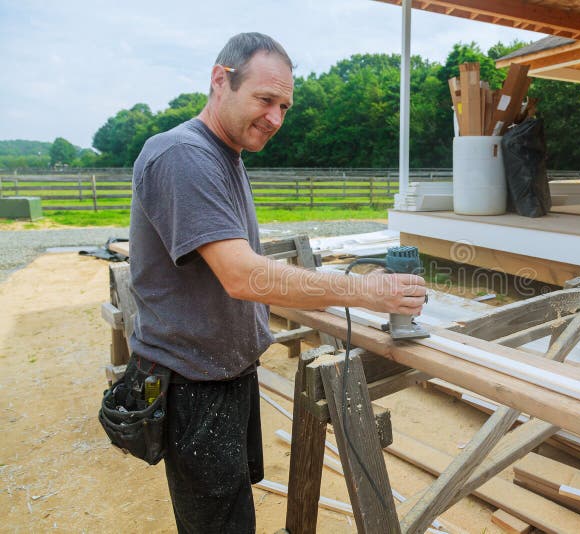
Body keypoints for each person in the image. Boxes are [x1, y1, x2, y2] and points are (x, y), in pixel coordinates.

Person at [127, 32, 426, 533]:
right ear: (220, 80)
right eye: (265, 100)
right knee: (220, 525)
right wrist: (368, 291)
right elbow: (243, 275)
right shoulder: (182, 155)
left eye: (284, 106)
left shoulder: (226, 155)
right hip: (192, 384)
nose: (275, 119)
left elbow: (246, 274)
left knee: (233, 509)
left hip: (224, 374)